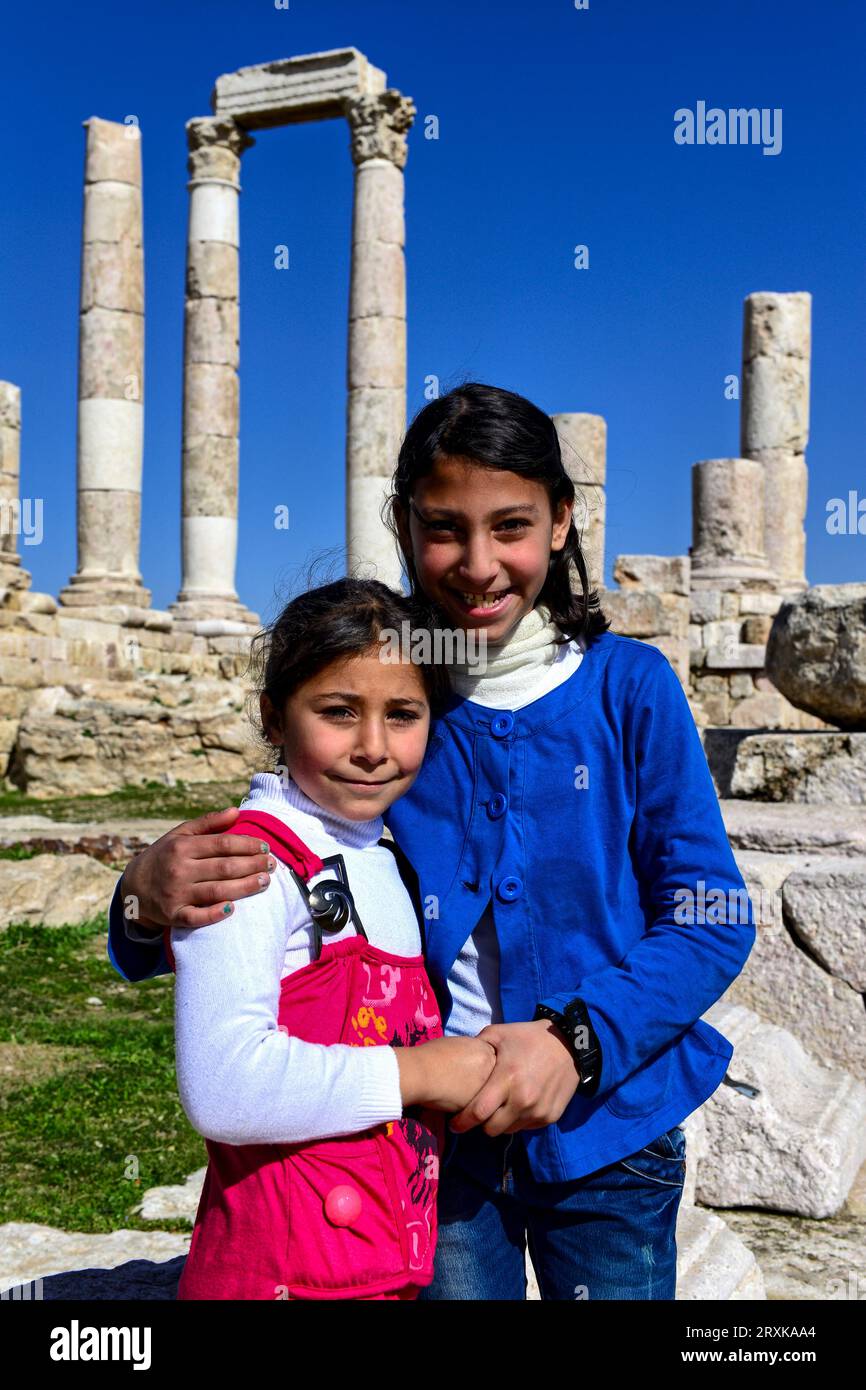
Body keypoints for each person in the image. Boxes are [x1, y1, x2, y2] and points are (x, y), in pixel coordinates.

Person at [107, 381, 756, 1301]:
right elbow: (283, 865)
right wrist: (140, 895)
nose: (478, 562)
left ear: (563, 521)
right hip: (432, 1154)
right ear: (405, 528)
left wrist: (574, 1044)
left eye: (512, 527)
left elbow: (711, 916)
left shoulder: (632, 690)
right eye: (445, 528)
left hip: (614, 1126)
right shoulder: (397, 695)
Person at [150, 577, 497, 1300]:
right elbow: (225, 1087)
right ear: (275, 719)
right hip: (274, 1275)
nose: (373, 748)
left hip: (376, 1267)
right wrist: (420, 1075)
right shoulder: (249, 865)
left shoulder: (389, 858)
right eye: (339, 712)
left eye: (403, 714)